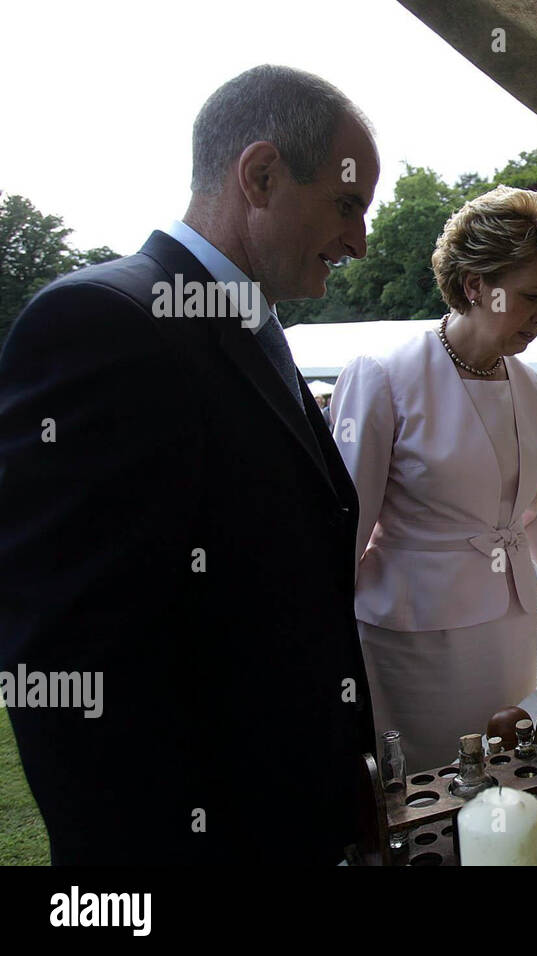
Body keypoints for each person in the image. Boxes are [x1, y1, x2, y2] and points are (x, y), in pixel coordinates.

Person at [0, 65, 380, 864]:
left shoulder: (253, 322)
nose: (359, 242)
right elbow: (70, 677)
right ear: (262, 174)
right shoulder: (104, 322)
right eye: (347, 206)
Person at [330, 186, 537, 772]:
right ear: (475, 284)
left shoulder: (527, 384)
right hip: (415, 637)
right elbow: (345, 529)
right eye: (532, 297)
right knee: (433, 791)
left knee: (508, 770)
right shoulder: (382, 377)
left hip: (509, 626)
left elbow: (523, 513)